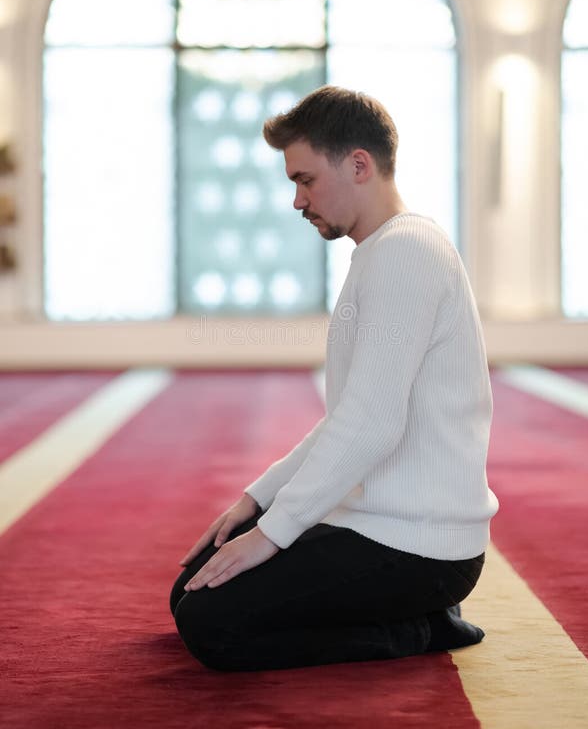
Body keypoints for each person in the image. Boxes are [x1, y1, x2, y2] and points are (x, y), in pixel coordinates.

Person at [169, 86, 499, 672]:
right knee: (194, 589)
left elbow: (373, 423)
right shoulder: (380, 252)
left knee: (211, 626)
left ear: (358, 164)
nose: (298, 200)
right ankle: (401, 615)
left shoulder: (407, 253)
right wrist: (256, 502)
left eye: (306, 179)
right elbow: (349, 416)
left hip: (421, 548)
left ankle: (418, 629)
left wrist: (273, 533)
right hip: (380, 528)